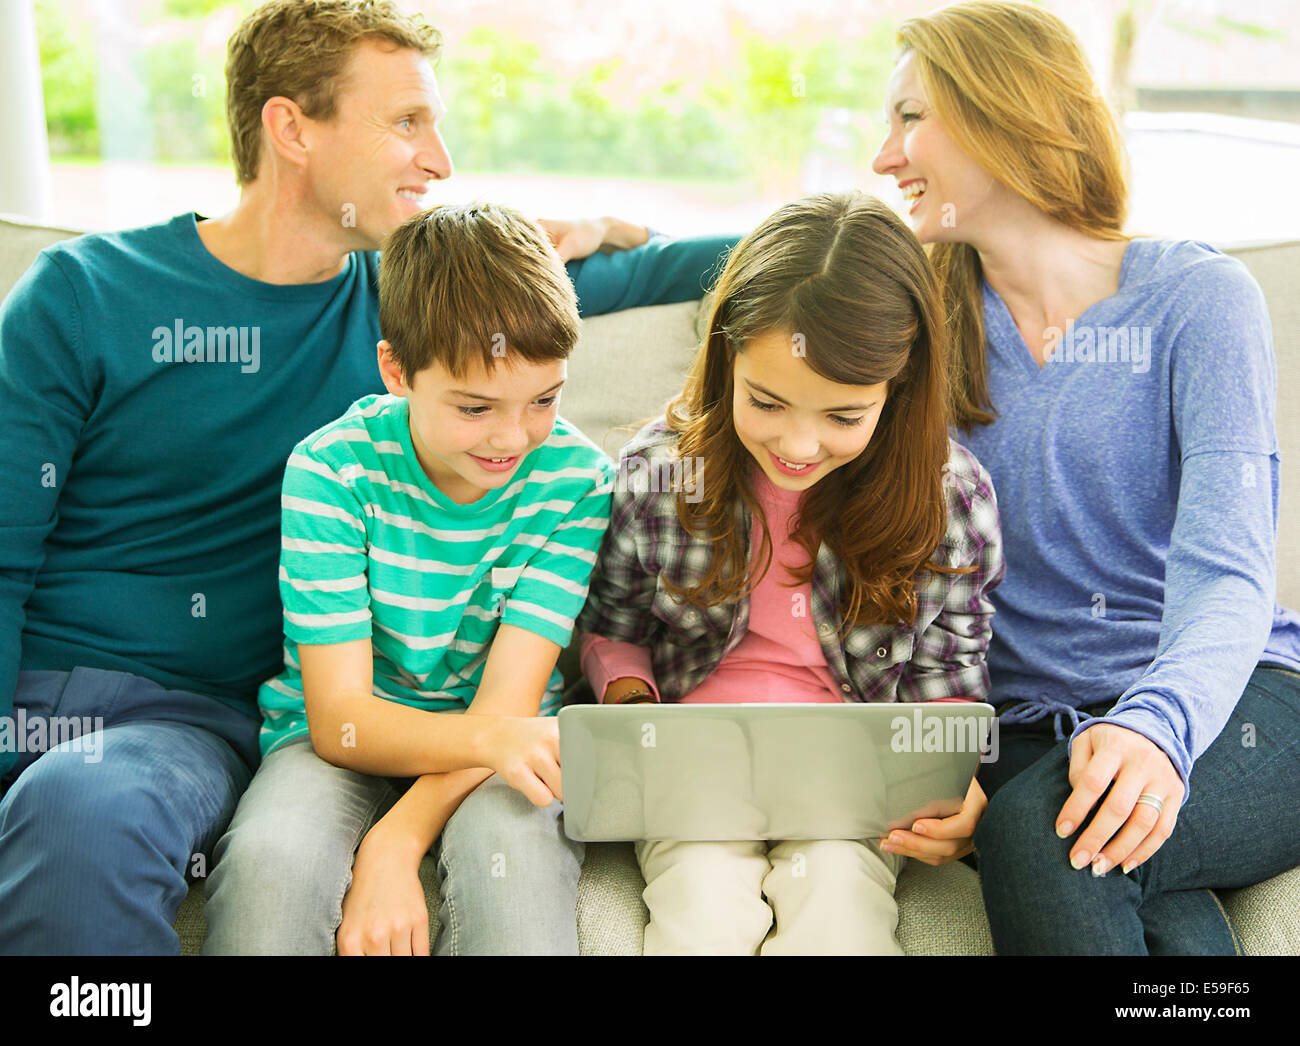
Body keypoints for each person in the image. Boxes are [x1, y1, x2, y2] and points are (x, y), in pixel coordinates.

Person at [0, 0, 731, 955]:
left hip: (192, 722)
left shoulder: (429, 314)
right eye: (406, 123)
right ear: (291, 127)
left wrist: (598, 225)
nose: (441, 159)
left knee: (85, 810)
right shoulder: (84, 292)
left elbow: (741, 263)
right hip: (49, 688)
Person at [870, 0, 1300, 954]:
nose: (883, 156)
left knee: (1052, 832)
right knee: (1128, 884)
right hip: (1026, 727)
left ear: (1004, 112)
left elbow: (1228, 572)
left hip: (1235, 699)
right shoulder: (919, 322)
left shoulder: (1199, 302)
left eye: (909, 117)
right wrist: (609, 236)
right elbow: (779, 269)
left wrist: (1156, 727)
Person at [575, 191, 1005, 955]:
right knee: (700, 920)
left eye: (842, 417)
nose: (799, 446)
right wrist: (631, 699)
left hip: (851, 786)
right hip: (692, 771)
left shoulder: (948, 500)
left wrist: (954, 782)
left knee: (842, 920)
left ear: (897, 394)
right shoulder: (661, 470)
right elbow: (613, 625)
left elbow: (952, 673)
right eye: (767, 403)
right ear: (725, 361)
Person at [201, 201, 612, 956]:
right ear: (397, 370)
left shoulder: (578, 481)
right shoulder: (331, 471)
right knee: (271, 866)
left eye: (544, 400)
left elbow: (508, 715)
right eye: (475, 406)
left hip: (500, 750)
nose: (512, 437)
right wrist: (475, 753)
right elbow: (340, 720)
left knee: (515, 867)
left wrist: (395, 844)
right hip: (337, 744)